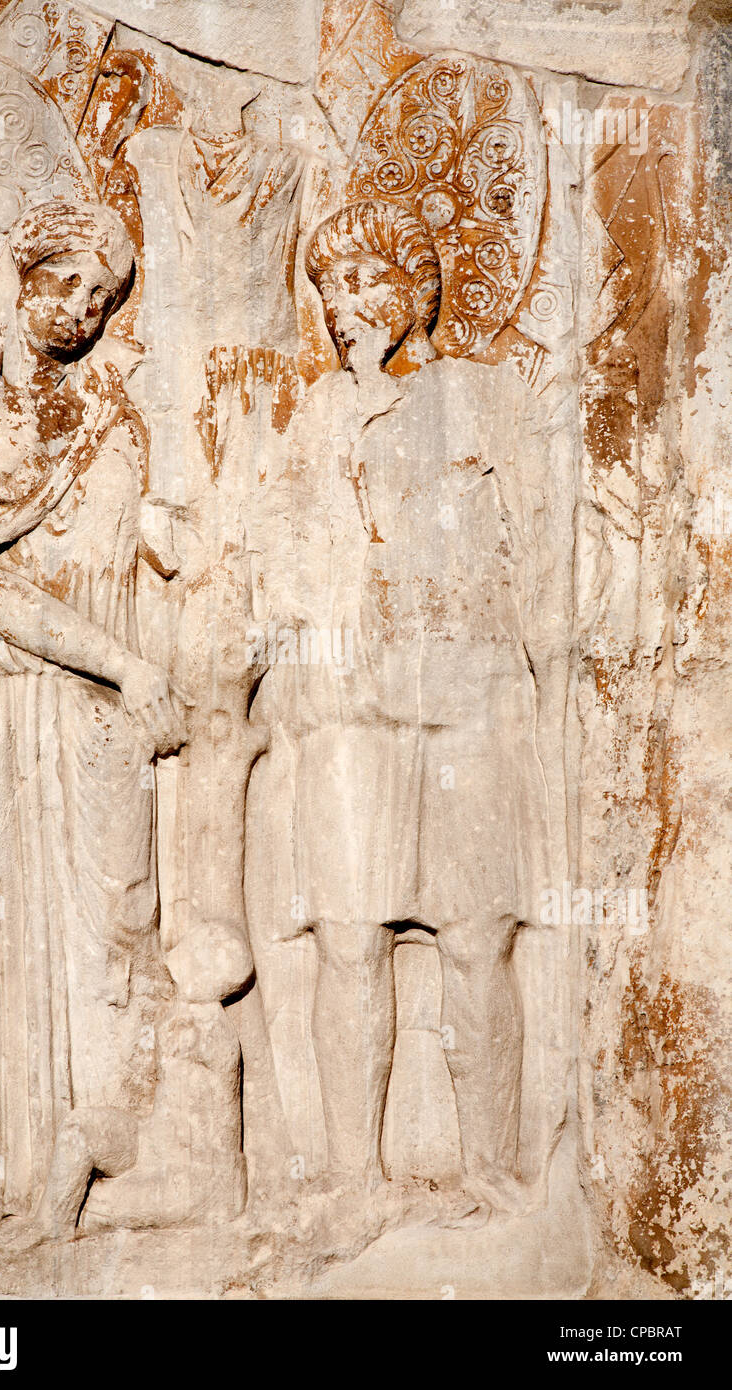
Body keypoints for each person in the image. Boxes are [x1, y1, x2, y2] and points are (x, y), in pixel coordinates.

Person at [0, 197, 186, 1210]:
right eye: (64, 282)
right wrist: (123, 666)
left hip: (67, 714)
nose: (80, 311)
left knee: (82, 942)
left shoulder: (108, 419)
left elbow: (135, 568)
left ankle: (68, 1165)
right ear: (19, 274)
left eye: (99, 298)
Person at [250, 199, 551, 1212]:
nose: (344, 309)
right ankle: (349, 1176)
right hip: (352, 706)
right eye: (329, 293)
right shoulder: (318, 417)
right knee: (347, 935)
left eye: (366, 283)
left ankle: (490, 1167)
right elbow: (279, 565)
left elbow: (540, 553)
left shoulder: (484, 397)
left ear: (414, 289)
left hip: (468, 700)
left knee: (476, 935)